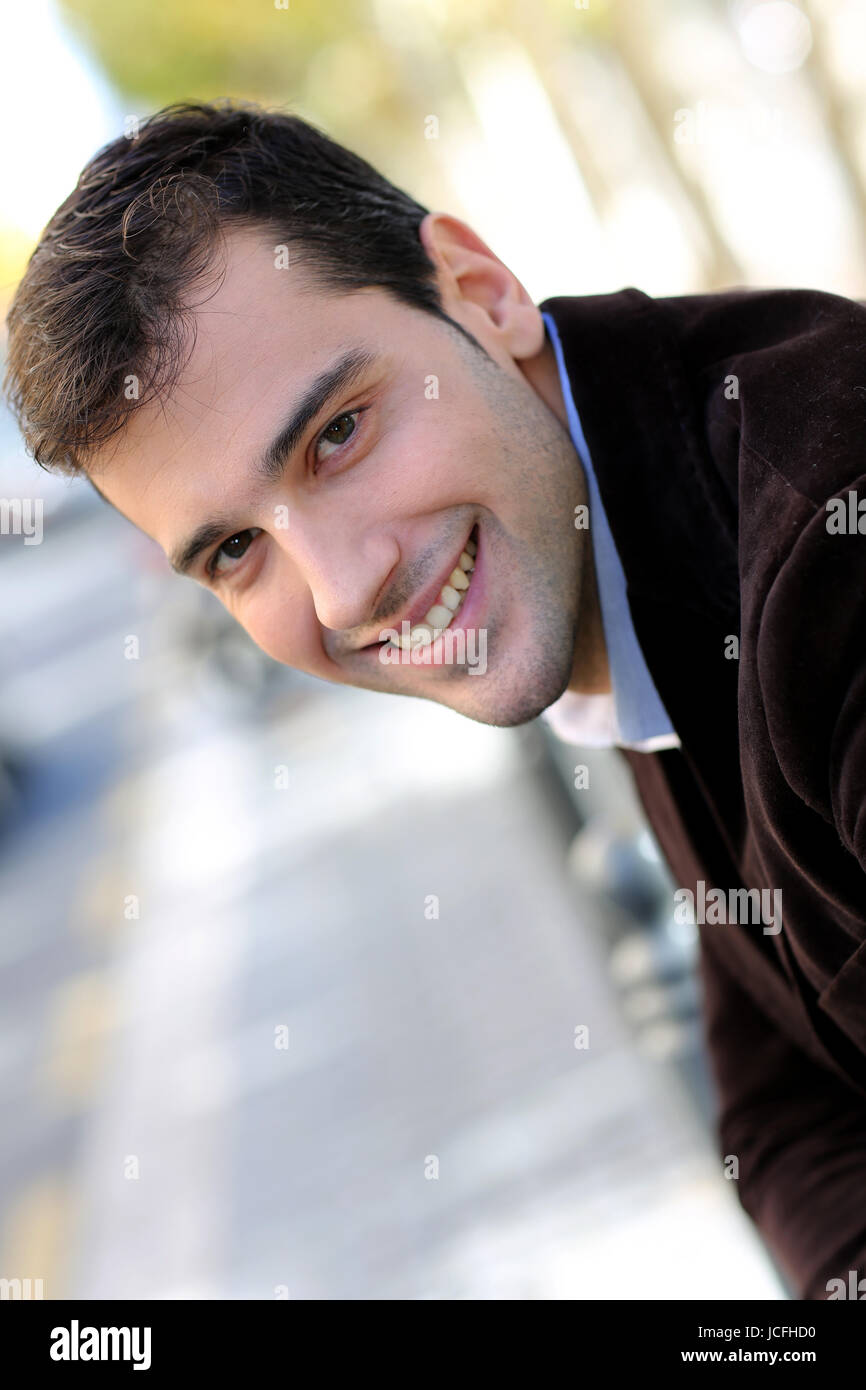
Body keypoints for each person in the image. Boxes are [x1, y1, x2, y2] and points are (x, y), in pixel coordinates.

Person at [6, 101, 866, 1301]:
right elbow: (778, 1100)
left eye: (340, 432)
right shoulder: (616, 529)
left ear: (477, 288)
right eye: (237, 552)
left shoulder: (828, 556)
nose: (343, 584)